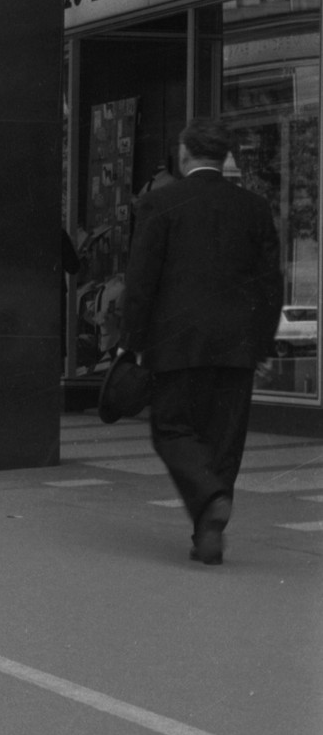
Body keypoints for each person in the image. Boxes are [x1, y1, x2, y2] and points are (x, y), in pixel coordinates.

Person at [122, 117, 282, 565]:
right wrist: (263, 341)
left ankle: (209, 500)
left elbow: (141, 280)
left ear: (185, 153)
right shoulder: (254, 207)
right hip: (237, 346)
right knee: (224, 439)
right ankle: (207, 529)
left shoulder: (160, 203)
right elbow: (271, 284)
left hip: (176, 343)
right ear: (224, 155)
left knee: (172, 428)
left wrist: (131, 339)